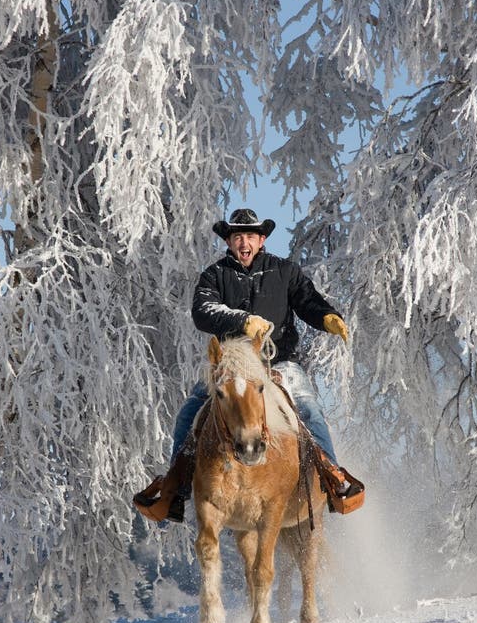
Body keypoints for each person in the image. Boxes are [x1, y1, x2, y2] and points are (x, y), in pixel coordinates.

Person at [134, 208, 353, 522]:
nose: (244, 242)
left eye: (250, 235)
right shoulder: (214, 275)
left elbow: (307, 300)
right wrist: (242, 320)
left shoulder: (285, 271)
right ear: (229, 241)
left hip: (279, 361)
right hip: (231, 365)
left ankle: (333, 478)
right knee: (189, 412)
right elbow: (203, 311)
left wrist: (327, 317)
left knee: (309, 409)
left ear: (261, 240)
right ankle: (175, 490)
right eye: (237, 236)